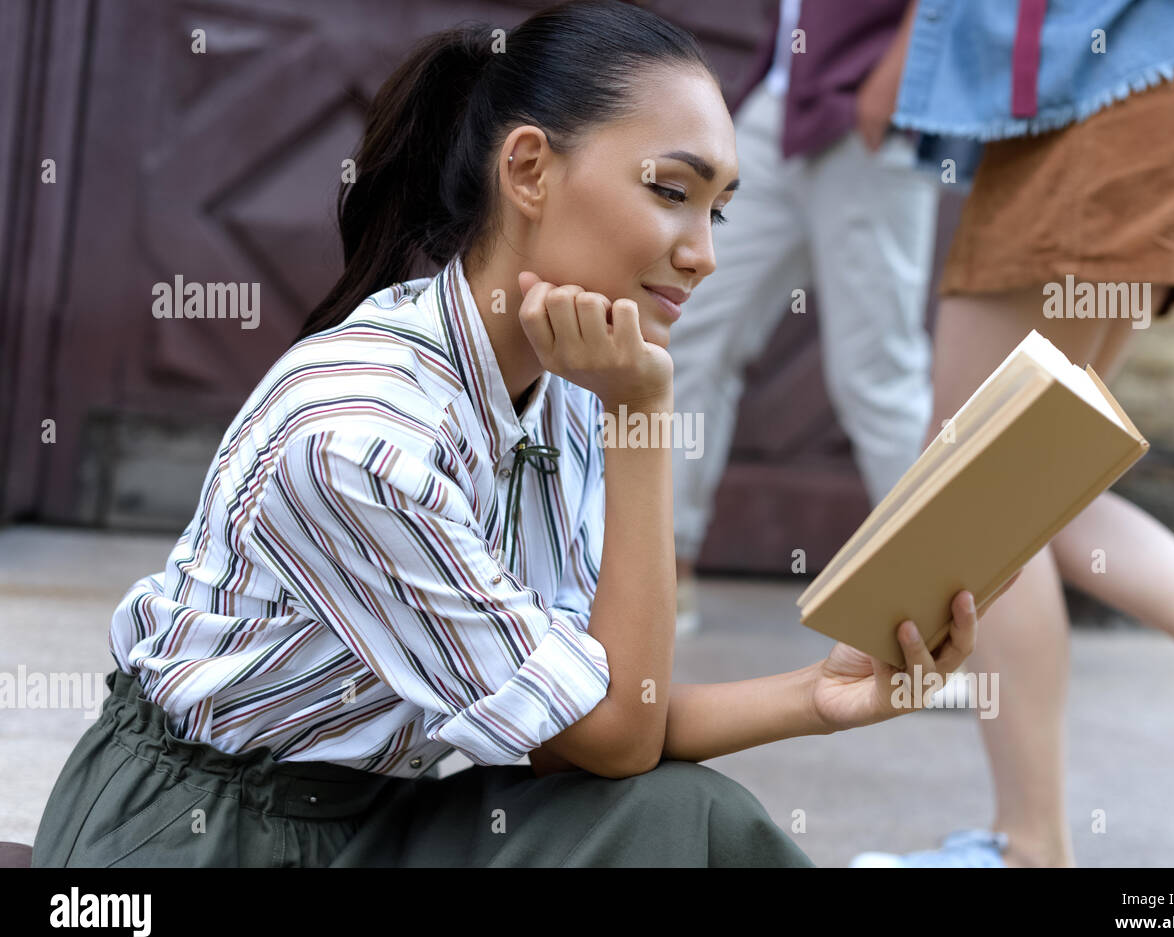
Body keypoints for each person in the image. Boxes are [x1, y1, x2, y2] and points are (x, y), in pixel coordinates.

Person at [31, 0, 993, 868]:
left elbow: (589, 716)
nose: (704, 254)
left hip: (371, 815)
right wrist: (645, 420)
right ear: (529, 168)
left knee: (676, 813)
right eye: (671, 191)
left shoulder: (562, 388)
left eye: (721, 209)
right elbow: (616, 731)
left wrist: (820, 697)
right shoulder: (360, 440)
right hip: (196, 838)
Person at [852, 0, 1174, 867]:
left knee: (974, 485)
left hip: (1121, 104)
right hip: (1159, 99)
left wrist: (897, 56)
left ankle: (1030, 847)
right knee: (1018, 482)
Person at [672, 0, 939, 636]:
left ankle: (938, 613)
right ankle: (665, 569)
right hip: (782, 101)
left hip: (869, 101)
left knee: (878, 374)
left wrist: (899, 70)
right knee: (687, 332)